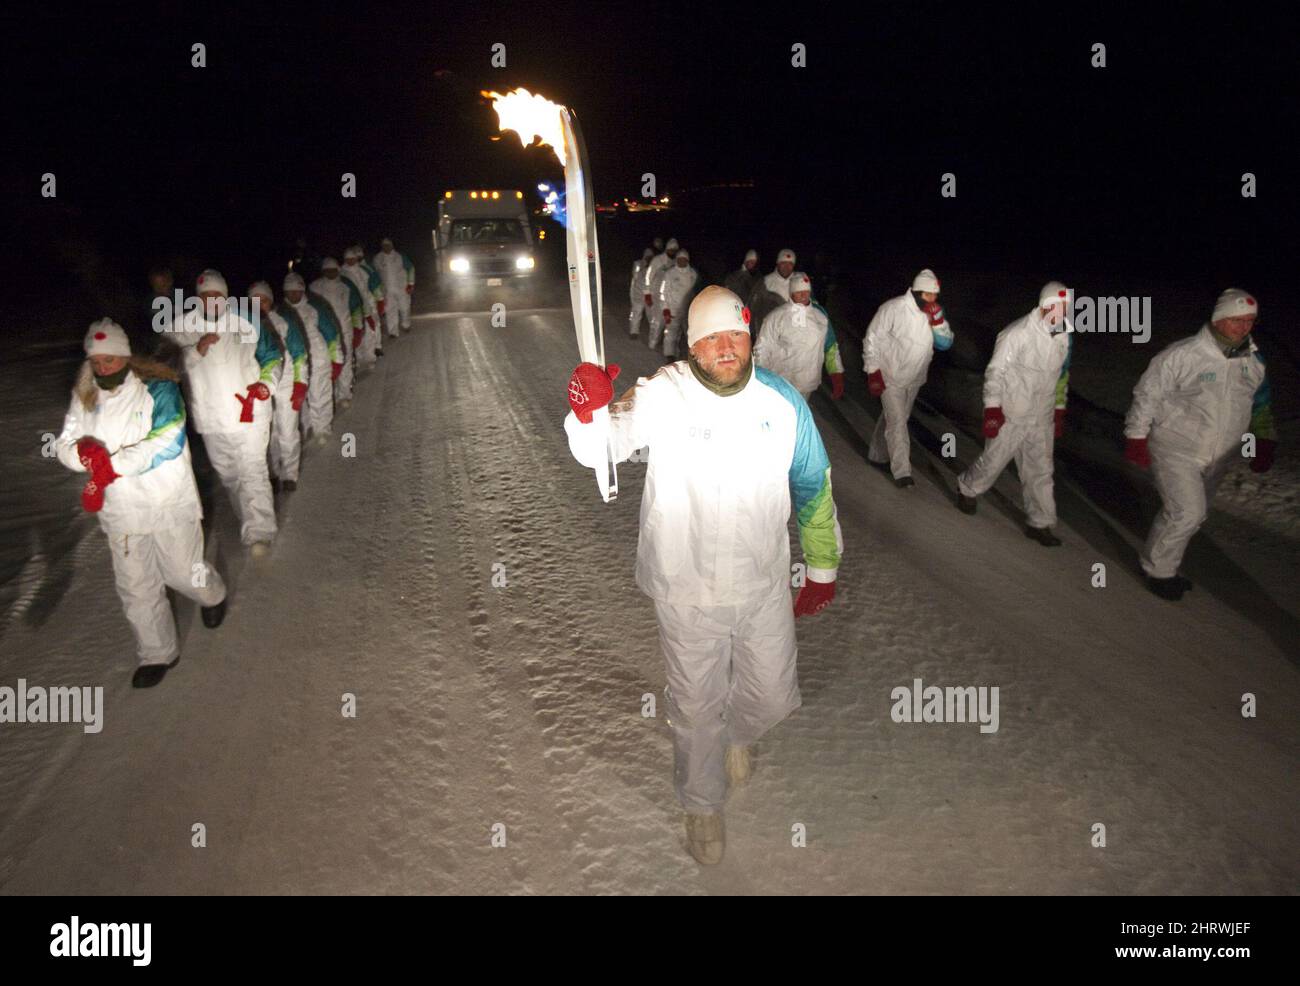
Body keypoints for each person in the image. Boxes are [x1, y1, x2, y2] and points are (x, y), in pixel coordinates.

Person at [563, 285, 843, 866]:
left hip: (761, 580)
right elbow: (602, 450)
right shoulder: (664, 394)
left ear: (749, 338)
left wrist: (821, 567)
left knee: (770, 696)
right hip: (684, 584)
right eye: (710, 337)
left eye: (734, 334)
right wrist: (587, 411)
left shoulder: (783, 401)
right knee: (695, 706)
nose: (725, 347)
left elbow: (815, 487)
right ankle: (702, 804)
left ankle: (738, 734)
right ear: (693, 345)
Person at [55, 320, 227, 688]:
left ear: (125, 355)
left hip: (165, 500)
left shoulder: (159, 389)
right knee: (137, 587)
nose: (103, 368)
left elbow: (165, 441)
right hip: (119, 509)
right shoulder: (84, 393)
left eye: (111, 359)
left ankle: (212, 593)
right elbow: (65, 441)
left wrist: (109, 465)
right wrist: (82, 455)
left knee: (183, 574)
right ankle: (157, 653)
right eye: (97, 361)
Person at [1124, 288, 1276, 600]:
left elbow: (1260, 404)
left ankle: (1166, 565)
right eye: (1237, 320)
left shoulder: (1253, 360)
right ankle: (1158, 571)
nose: (1244, 327)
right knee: (1187, 513)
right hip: (1175, 448)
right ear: (1219, 319)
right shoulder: (1183, 355)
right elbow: (1147, 394)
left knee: (1195, 515)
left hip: (1219, 456)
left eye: (1250, 321)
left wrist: (1265, 439)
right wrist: (1136, 436)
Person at [955, 282, 1072, 545]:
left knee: (1040, 469)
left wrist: (1059, 410)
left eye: (1066, 308)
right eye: (1058, 307)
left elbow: (1060, 376)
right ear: (1045, 305)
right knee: (995, 459)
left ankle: (1039, 522)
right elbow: (995, 373)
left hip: (1041, 416)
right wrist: (993, 408)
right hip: (1013, 412)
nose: (1063, 313)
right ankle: (967, 488)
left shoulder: (1062, 336)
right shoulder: (1017, 333)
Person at [173, 269, 280, 556]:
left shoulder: (248, 319)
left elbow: (272, 355)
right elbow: (167, 369)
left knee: (253, 471)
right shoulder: (180, 327)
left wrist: (266, 384)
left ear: (225, 296)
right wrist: (195, 350)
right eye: (205, 296)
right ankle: (249, 517)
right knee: (230, 475)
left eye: (216, 295)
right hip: (211, 418)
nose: (211, 301)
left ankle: (259, 532)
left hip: (250, 411)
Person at [863, 268, 954, 487]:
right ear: (916, 291)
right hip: (890, 376)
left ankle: (877, 454)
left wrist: (939, 323)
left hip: (914, 379)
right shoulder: (893, 309)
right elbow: (872, 338)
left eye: (935, 295)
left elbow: (946, 343)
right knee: (897, 424)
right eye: (927, 295)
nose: (932, 299)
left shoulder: (933, 314)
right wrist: (873, 371)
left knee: (894, 418)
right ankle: (902, 472)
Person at [249, 281, 307, 493]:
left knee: (287, 429)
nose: (259, 305)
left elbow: (300, 354)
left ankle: (289, 473)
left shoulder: (284, 320)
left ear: (271, 300)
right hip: (262, 383)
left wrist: (300, 384)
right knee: (268, 432)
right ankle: (272, 473)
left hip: (286, 381)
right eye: (254, 301)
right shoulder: (246, 325)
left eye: (263, 300)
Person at [754, 272, 845, 399]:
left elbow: (830, 347)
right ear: (791, 293)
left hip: (806, 385)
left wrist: (836, 375)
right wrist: (761, 377)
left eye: (806, 291)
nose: (803, 295)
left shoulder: (820, 317)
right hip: (780, 382)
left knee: (797, 417)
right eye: (799, 291)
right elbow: (762, 348)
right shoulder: (776, 316)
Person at [284, 272, 343, 442]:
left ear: (303, 290)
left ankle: (322, 427)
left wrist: (336, 359)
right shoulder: (283, 311)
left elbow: (331, 335)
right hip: (296, 361)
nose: (293, 294)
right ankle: (306, 425)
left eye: (297, 291)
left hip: (318, 357)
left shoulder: (315, 306)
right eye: (289, 291)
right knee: (300, 398)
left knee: (319, 394)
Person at [310, 257, 363, 408]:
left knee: (345, 360)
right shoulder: (315, 287)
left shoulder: (346, 285)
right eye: (327, 270)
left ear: (338, 270)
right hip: (323, 334)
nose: (330, 273)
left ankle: (344, 393)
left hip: (344, 328)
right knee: (328, 364)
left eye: (333, 270)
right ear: (323, 271)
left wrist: (358, 327)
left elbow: (355, 307)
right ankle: (330, 395)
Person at [658, 248, 699, 361]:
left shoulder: (692, 274)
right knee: (671, 333)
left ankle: (690, 356)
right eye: (679, 259)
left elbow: (695, 292)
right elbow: (663, 292)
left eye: (684, 259)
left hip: (687, 311)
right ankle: (669, 355)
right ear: (677, 259)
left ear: (687, 260)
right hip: (672, 310)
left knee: (689, 334)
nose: (682, 261)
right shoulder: (670, 274)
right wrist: (665, 308)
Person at [748, 247, 796, 342]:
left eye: (790, 264)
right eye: (783, 263)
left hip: (793, 335)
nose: (786, 267)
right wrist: (752, 333)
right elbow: (752, 307)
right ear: (777, 264)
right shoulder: (766, 282)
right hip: (770, 335)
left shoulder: (800, 281)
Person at [372, 238, 414, 337]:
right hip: (386, 290)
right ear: (382, 247)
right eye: (384, 246)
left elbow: (411, 268)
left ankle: (406, 324)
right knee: (390, 310)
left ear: (392, 245)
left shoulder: (400, 256)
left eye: (388, 245)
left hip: (401, 287)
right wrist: (377, 290)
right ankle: (393, 331)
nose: (386, 247)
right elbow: (374, 275)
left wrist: (410, 283)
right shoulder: (377, 259)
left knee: (404, 307)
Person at [645, 238, 680, 352]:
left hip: (669, 296)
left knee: (669, 322)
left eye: (675, 250)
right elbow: (648, 276)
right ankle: (652, 344)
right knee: (657, 320)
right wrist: (647, 293)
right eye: (671, 249)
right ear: (667, 249)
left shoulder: (677, 262)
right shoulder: (657, 260)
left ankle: (666, 344)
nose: (672, 252)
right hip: (656, 294)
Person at [628, 247, 654, 338]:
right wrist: (644, 267)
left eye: (651, 257)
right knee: (636, 313)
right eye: (648, 256)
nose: (649, 258)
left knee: (652, 315)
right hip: (638, 293)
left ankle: (654, 335)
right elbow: (635, 275)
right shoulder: (638, 264)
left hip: (649, 295)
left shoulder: (654, 266)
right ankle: (634, 332)